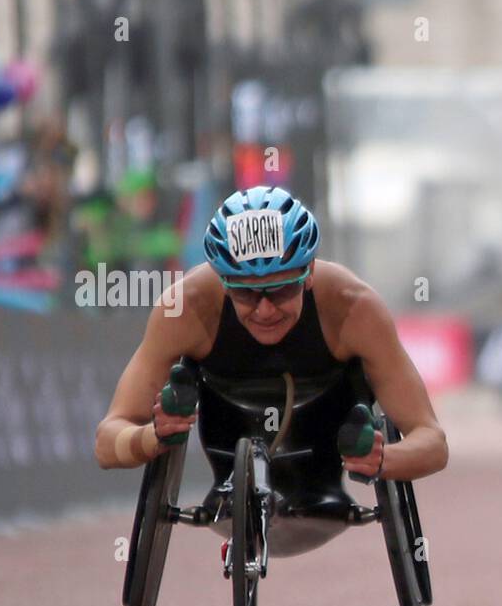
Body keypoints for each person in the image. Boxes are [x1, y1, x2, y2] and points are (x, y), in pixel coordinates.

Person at [94, 185, 447, 486]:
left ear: (308, 272)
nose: (264, 310)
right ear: (221, 279)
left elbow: (432, 442)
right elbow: (106, 443)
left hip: (327, 452)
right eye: (246, 293)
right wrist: (154, 434)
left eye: (279, 291)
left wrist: (382, 459)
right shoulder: (184, 308)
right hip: (227, 448)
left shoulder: (354, 309)